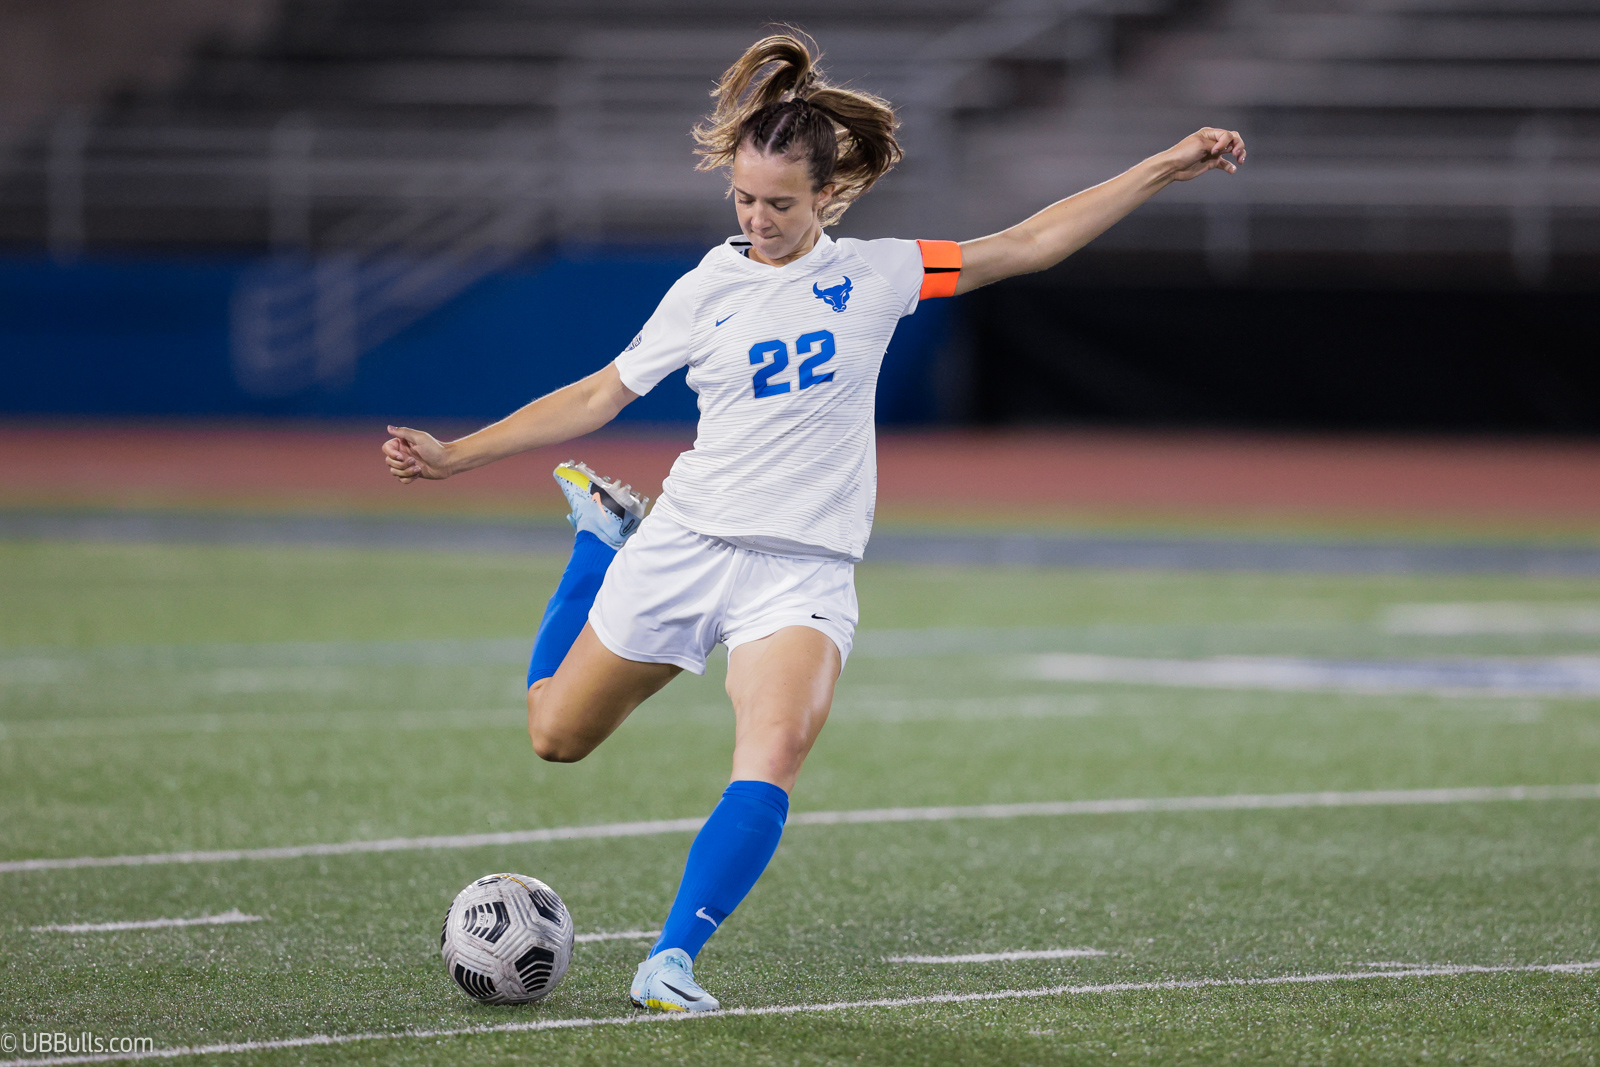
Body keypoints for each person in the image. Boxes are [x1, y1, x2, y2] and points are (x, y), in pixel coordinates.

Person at [382, 32, 1244, 1013]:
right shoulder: (704, 287)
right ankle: (599, 540)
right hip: (688, 544)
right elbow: (593, 396)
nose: (758, 218)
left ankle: (668, 959)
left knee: (773, 748)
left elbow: (1029, 242)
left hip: (800, 574)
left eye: (780, 203)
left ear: (827, 198)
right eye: (744, 200)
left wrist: (1166, 165)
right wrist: (456, 453)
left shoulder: (881, 272)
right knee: (553, 735)